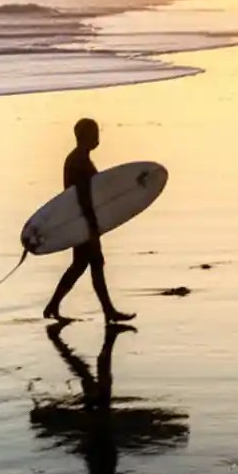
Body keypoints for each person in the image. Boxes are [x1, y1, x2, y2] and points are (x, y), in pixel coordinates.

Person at [42, 118, 135, 322]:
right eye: (95, 133)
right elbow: (83, 195)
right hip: (83, 220)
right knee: (93, 262)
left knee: (82, 264)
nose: (98, 137)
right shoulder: (79, 161)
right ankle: (108, 311)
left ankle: (53, 306)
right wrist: (92, 224)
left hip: (81, 219)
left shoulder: (78, 158)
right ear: (86, 136)